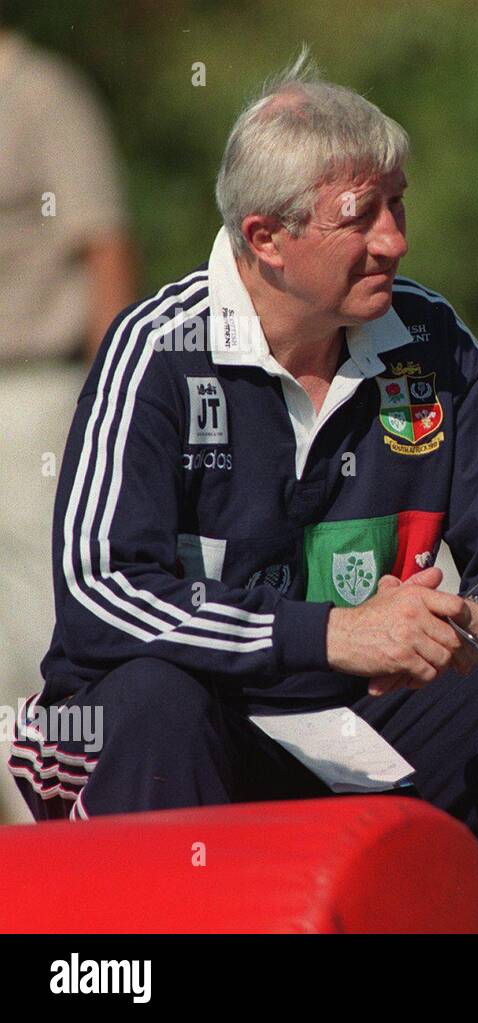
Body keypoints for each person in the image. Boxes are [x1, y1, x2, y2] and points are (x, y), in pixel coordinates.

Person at [6, 51, 478, 934]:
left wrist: (475, 623)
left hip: (370, 730)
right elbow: (100, 597)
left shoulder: (429, 336)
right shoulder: (156, 349)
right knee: (152, 696)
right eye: (362, 216)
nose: (396, 239)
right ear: (266, 238)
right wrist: (339, 633)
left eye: (399, 202)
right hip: (187, 735)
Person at [0, 24, 136, 826]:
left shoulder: (44, 95)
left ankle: (70, 824)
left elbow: (105, 247)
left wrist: (109, 404)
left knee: (48, 625)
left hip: (36, 392)